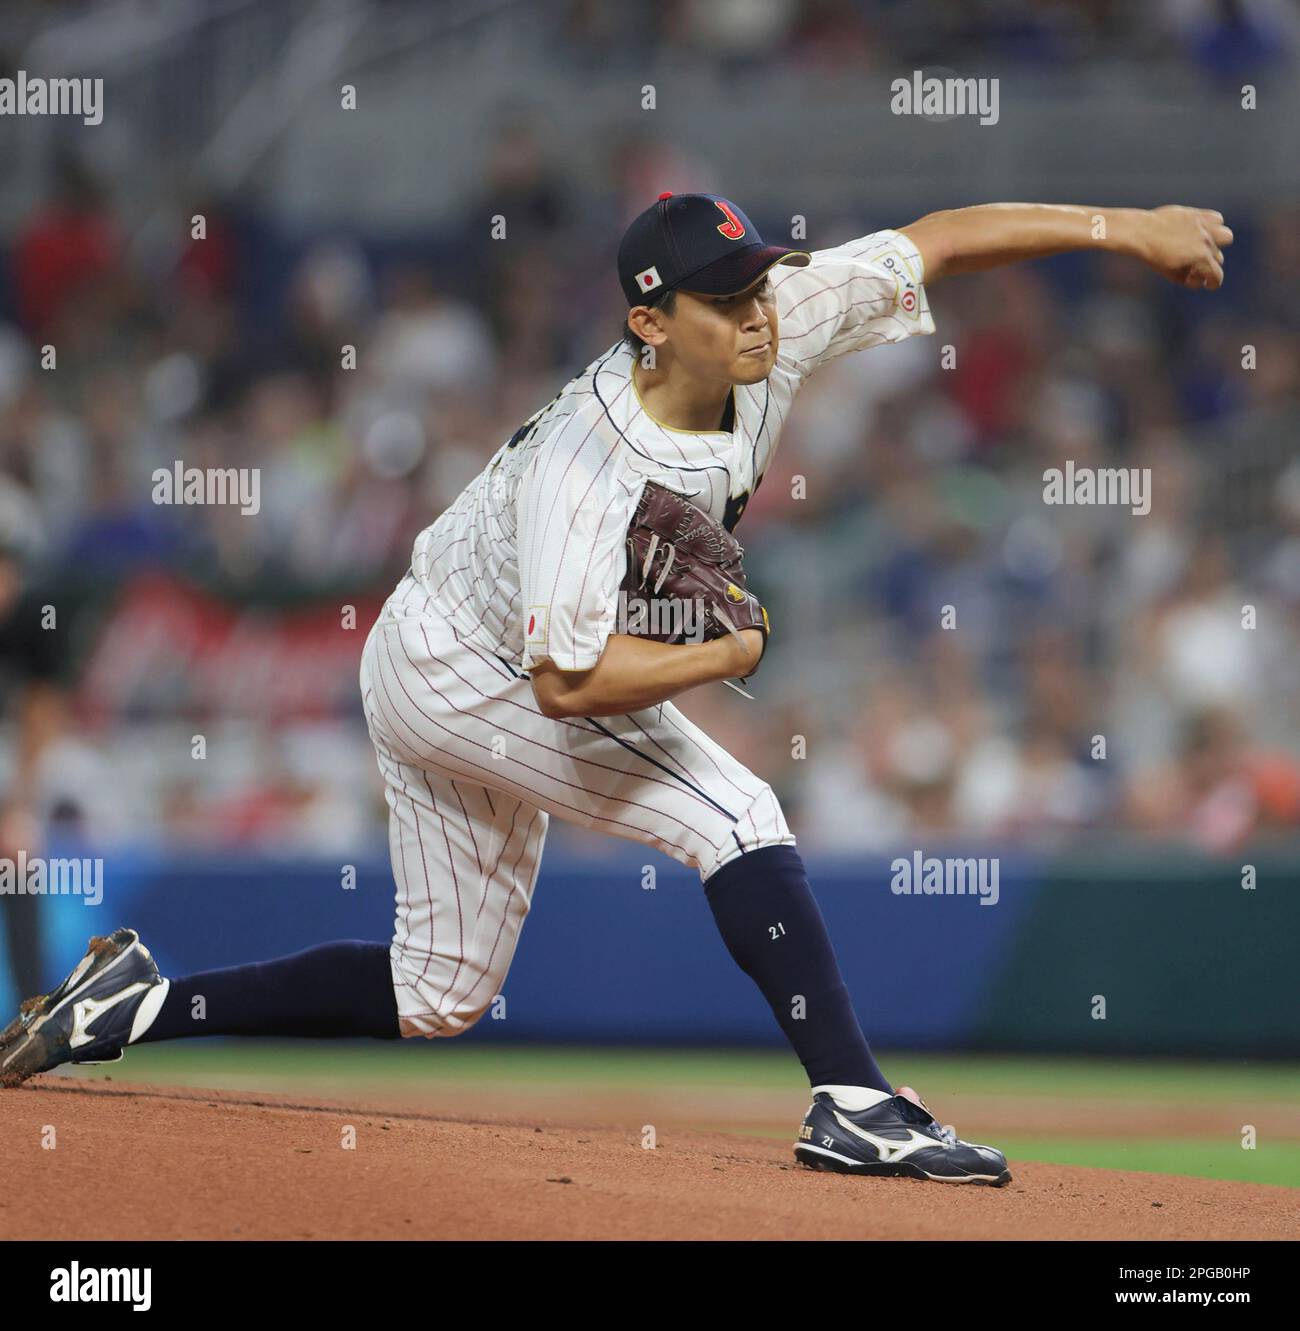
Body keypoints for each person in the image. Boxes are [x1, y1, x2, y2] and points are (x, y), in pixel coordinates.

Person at [0, 194, 1231, 1186]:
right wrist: (727, 654)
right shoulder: (594, 469)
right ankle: (855, 1100)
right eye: (724, 295)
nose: (756, 310)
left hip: (444, 636)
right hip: (464, 666)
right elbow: (566, 679)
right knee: (734, 808)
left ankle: (137, 1005)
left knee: (441, 990)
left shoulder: (777, 318)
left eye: (757, 278)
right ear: (651, 321)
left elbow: (941, 238)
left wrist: (1128, 229)